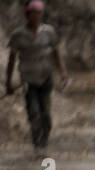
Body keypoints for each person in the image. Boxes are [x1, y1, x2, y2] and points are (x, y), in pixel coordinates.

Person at [5, 1, 69, 152]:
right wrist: (8, 82)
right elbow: (11, 59)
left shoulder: (48, 32)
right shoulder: (18, 35)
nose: (37, 17)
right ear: (28, 15)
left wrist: (63, 72)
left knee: (45, 113)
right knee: (33, 112)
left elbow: (56, 52)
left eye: (40, 14)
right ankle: (37, 144)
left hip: (45, 76)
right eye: (34, 14)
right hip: (28, 79)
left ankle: (44, 140)